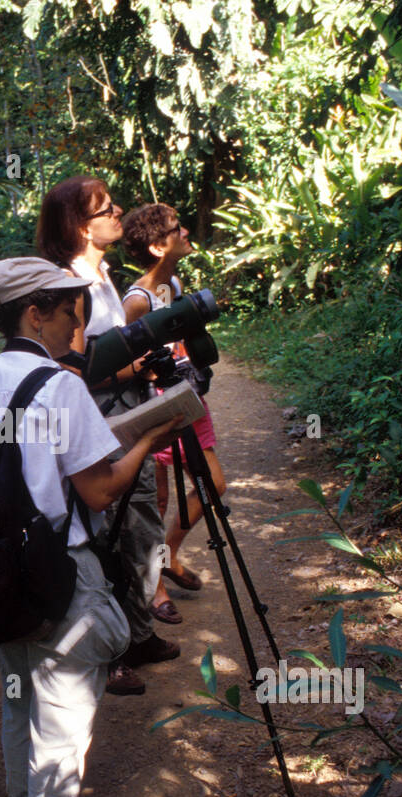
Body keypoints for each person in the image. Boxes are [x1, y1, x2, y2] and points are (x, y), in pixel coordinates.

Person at [0, 257, 180, 797]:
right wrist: (146, 442)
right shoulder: (59, 385)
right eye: (68, 315)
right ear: (35, 313)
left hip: (1, 570)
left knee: (18, 701)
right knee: (61, 723)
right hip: (60, 571)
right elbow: (101, 490)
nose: (75, 331)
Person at [36, 175, 178, 697]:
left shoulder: (102, 275)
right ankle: (112, 648)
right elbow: (71, 369)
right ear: (79, 225)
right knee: (109, 529)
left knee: (139, 523)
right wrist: (131, 371)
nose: (119, 213)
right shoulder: (70, 282)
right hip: (99, 421)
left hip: (124, 413)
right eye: (106, 210)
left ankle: (137, 632)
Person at [121, 203, 227, 624]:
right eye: (176, 229)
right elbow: (126, 365)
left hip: (187, 399)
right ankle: (157, 586)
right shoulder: (136, 300)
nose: (186, 233)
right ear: (157, 246)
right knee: (157, 498)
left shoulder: (174, 284)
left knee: (213, 484)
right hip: (156, 406)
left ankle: (169, 553)